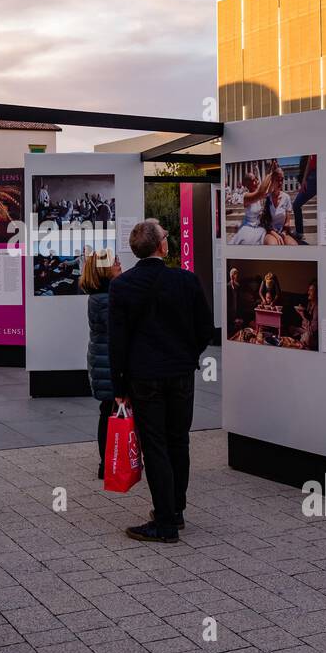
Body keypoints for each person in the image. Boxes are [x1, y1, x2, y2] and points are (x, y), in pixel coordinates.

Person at [109, 219, 214, 543]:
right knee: (178, 440)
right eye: (166, 236)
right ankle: (176, 512)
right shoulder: (186, 281)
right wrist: (187, 355)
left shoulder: (122, 286)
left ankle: (165, 520)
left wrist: (120, 389)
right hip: (180, 375)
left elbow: (118, 343)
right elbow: (205, 329)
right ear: (161, 246)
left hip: (144, 378)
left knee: (155, 446)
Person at [82, 248, 122, 478]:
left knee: (108, 411)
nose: (119, 263)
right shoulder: (107, 299)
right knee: (110, 412)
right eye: (114, 262)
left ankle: (107, 463)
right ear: (104, 270)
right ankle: (108, 464)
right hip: (109, 363)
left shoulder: (99, 296)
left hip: (102, 360)